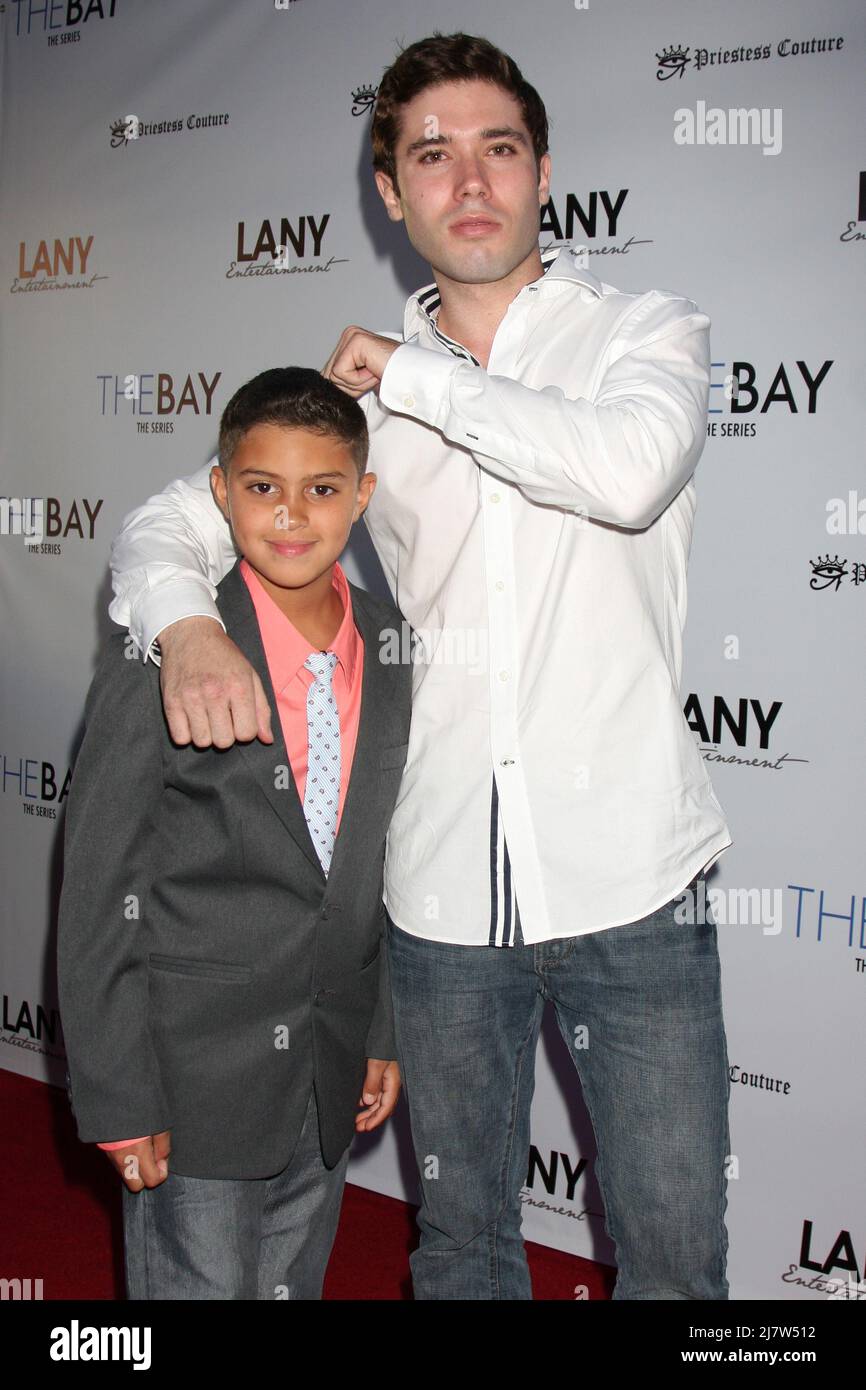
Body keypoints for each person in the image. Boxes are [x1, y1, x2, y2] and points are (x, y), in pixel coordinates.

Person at [107, 33, 734, 1300]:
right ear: (389, 194)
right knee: (460, 1251)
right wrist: (184, 624)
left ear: (542, 170)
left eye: (496, 148)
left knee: (675, 1255)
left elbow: (621, 470)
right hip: (440, 897)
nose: (468, 181)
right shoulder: (357, 405)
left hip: (633, 880)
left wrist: (420, 380)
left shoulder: (641, 333)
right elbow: (176, 517)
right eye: (429, 155)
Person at [57, 367, 412, 1300]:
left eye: (323, 489)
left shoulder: (394, 645)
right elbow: (100, 885)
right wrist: (118, 1093)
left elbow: (376, 866)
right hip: (192, 1080)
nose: (292, 516)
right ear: (220, 492)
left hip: (330, 1072)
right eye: (262, 488)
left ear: (362, 496)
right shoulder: (169, 649)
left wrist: (379, 1028)